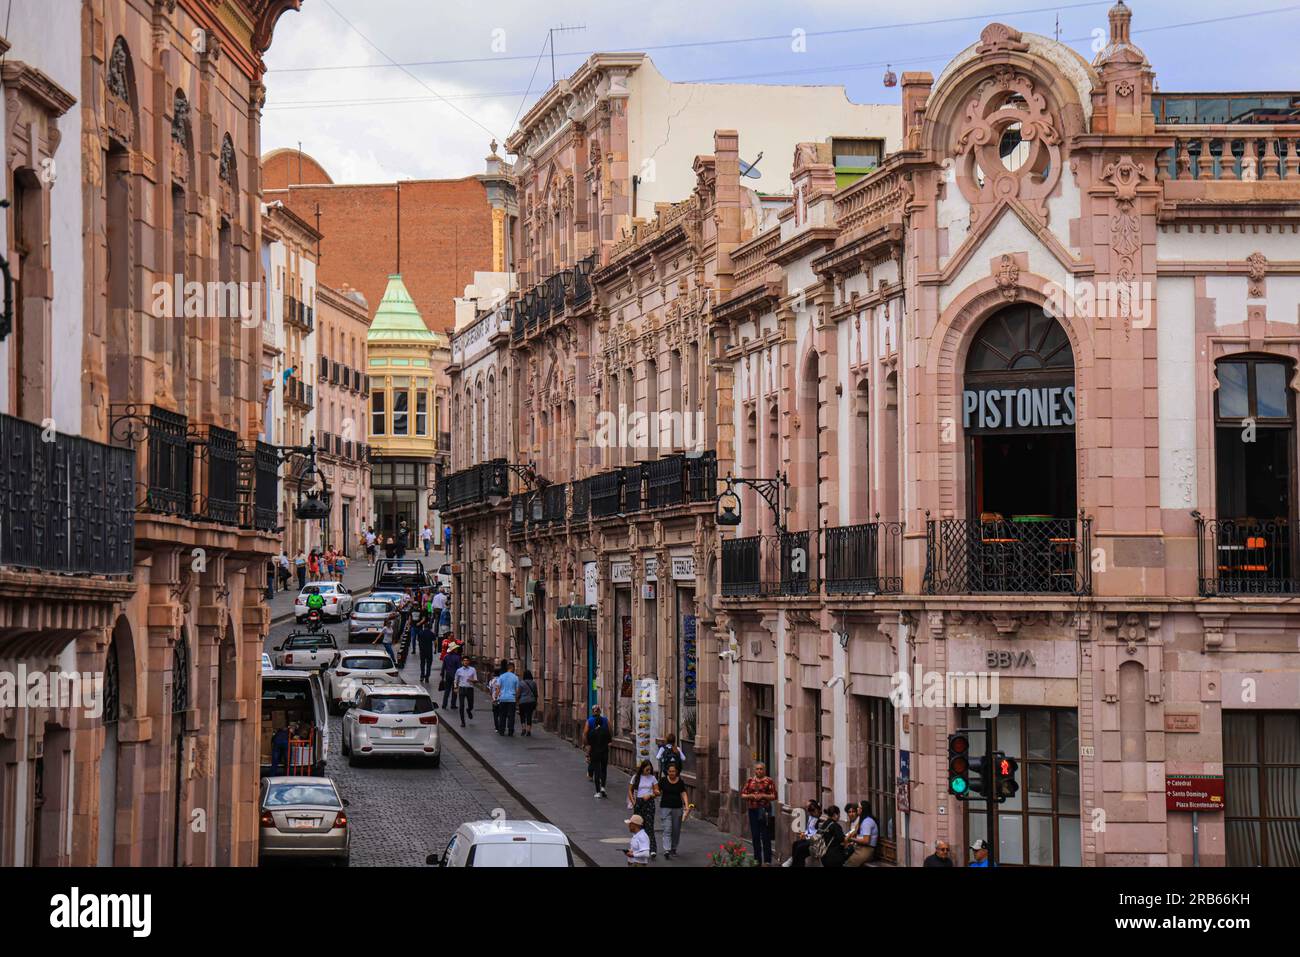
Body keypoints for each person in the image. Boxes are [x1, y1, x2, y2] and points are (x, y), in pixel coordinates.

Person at [740, 761, 778, 866]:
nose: (759, 771)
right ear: (754, 770)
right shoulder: (750, 781)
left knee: (766, 836)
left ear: (764, 770)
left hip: (764, 810)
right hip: (753, 810)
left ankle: (767, 861)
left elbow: (774, 796)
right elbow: (743, 794)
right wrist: (751, 796)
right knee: (755, 836)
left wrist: (763, 796)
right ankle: (757, 860)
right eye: (757, 769)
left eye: (761, 769)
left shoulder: (768, 781)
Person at [627, 759, 660, 859]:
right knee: (638, 826)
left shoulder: (653, 778)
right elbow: (630, 790)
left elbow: (657, 792)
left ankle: (652, 849)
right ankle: (638, 847)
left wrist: (650, 795)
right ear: (642, 769)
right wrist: (633, 802)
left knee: (649, 826)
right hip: (639, 802)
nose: (648, 772)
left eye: (650, 770)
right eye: (646, 770)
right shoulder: (635, 778)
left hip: (649, 802)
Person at [657, 764, 690, 860]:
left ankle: (673, 848)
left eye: (673, 771)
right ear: (667, 771)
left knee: (676, 830)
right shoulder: (663, 781)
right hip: (665, 808)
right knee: (667, 829)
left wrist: (686, 805)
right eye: (670, 771)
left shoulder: (680, 782)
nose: (671, 773)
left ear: (676, 772)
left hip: (677, 808)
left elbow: (683, 793)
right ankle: (667, 850)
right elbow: (657, 790)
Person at [844, 799, 879, 866]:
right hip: (861, 847)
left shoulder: (867, 822)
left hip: (867, 849)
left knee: (849, 864)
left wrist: (851, 839)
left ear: (863, 809)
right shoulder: (862, 820)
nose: (857, 809)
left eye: (859, 807)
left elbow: (866, 841)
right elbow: (854, 831)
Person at [790, 800, 823, 867]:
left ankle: (795, 864)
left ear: (817, 810)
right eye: (810, 810)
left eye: (813, 810)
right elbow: (809, 830)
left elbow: (815, 834)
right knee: (795, 844)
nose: (811, 812)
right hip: (809, 839)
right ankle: (794, 863)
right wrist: (804, 834)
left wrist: (806, 836)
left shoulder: (819, 820)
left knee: (800, 848)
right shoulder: (812, 817)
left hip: (815, 842)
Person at [587, 711, 612, 798]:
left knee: (597, 771)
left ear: (595, 723)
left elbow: (590, 745)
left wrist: (588, 754)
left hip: (595, 754)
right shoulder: (606, 731)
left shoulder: (592, 733)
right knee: (604, 770)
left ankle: (598, 792)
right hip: (604, 753)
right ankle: (603, 788)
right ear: (602, 723)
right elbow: (609, 743)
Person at [582, 706, 610, 780]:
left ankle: (591, 774)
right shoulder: (605, 720)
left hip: (593, 744)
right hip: (603, 745)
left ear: (592, 712)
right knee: (602, 762)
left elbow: (585, 733)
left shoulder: (589, 720)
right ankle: (600, 777)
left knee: (592, 759)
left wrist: (586, 744)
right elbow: (610, 731)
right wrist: (608, 741)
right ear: (600, 712)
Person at [494, 660, 520, 736]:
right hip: (512, 699)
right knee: (511, 715)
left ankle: (502, 730)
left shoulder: (501, 676)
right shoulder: (515, 677)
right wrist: (517, 699)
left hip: (503, 698)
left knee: (502, 715)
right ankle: (510, 730)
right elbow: (517, 690)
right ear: (512, 668)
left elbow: (498, 688)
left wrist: (496, 697)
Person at [455, 656, 477, 727]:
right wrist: (455, 687)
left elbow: (476, 680)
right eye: (464, 660)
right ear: (462, 662)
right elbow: (456, 680)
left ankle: (469, 710)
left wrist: (471, 680)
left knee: (471, 705)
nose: (466, 662)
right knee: (461, 706)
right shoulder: (459, 670)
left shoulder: (473, 670)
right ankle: (463, 722)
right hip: (462, 689)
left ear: (469, 662)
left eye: (467, 660)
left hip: (470, 689)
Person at [517, 669, 539, 736]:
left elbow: (519, 693)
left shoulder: (521, 683)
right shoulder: (533, 683)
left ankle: (523, 729)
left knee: (522, 715)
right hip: (531, 701)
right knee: (529, 715)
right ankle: (528, 730)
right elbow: (535, 693)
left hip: (522, 702)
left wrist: (517, 700)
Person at [416, 614, 437, 683]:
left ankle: (422, 676)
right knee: (428, 664)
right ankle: (427, 677)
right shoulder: (431, 633)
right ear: (429, 627)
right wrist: (435, 649)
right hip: (429, 651)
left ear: (424, 627)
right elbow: (435, 642)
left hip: (422, 651)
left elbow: (418, 640)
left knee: (422, 663)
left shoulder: (420, 633)